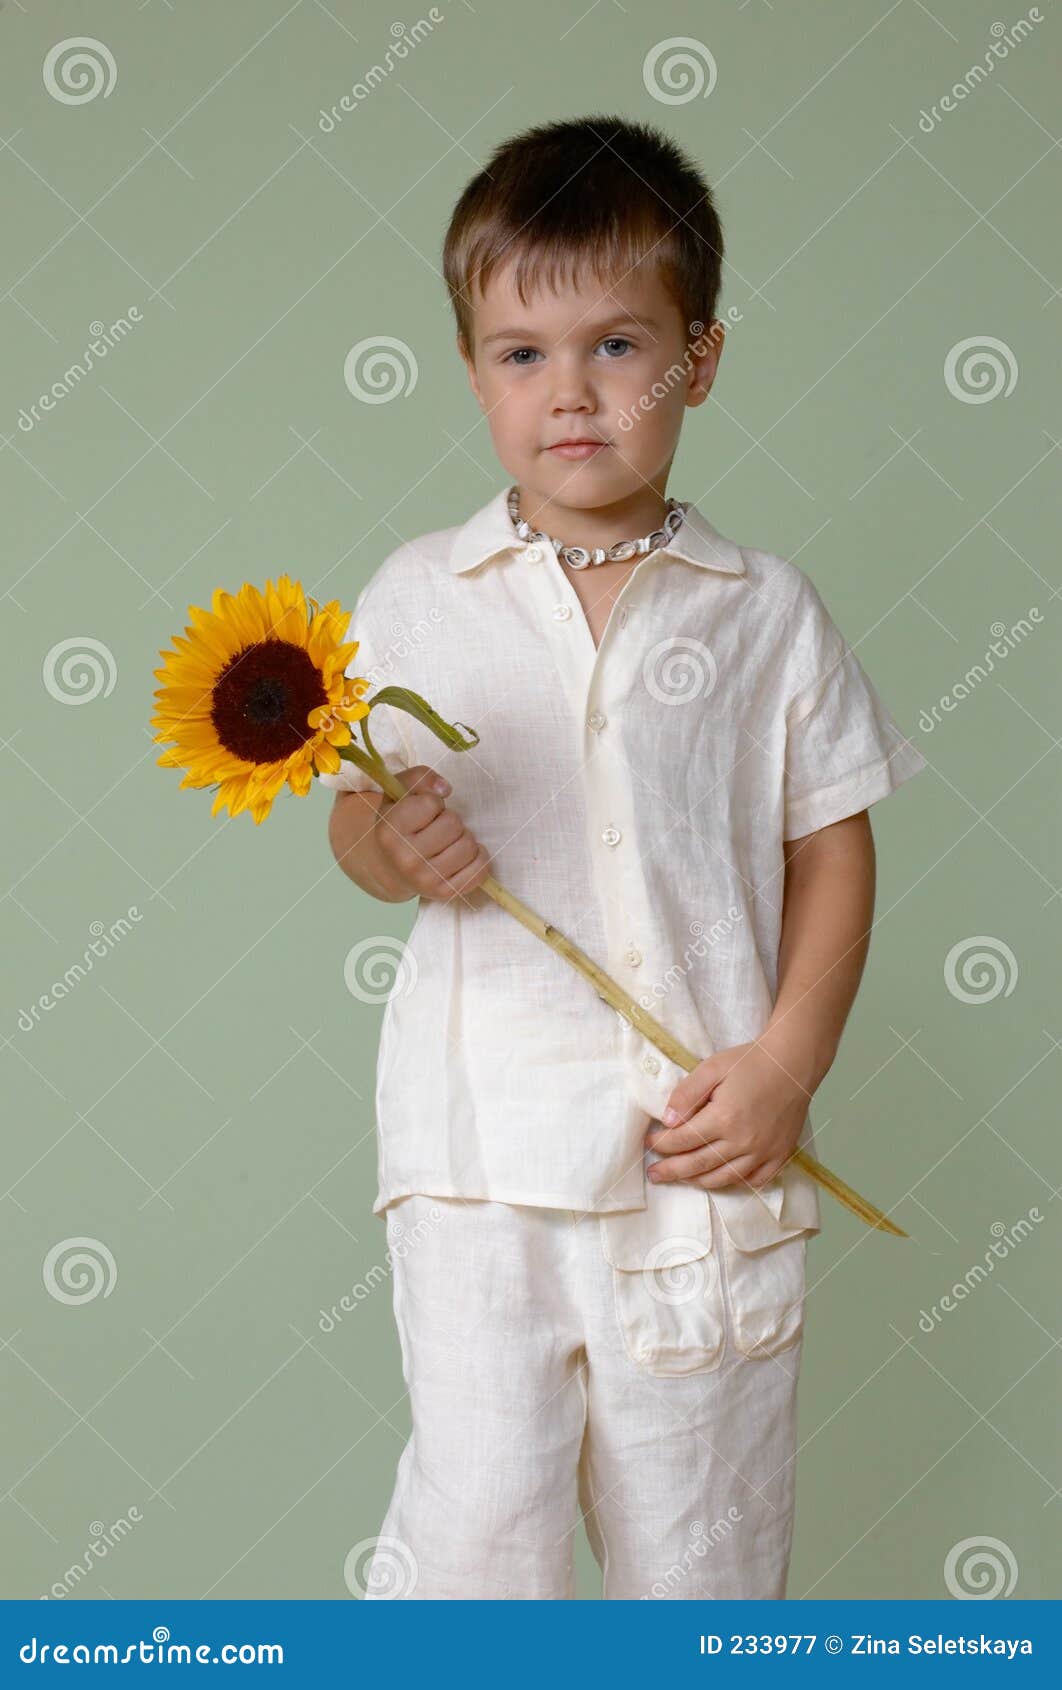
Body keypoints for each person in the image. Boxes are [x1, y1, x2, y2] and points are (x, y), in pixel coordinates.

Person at [320, 115, 927, 1601]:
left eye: (615, 346)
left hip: (696, 1164)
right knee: (475, 1545)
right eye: (520, 354)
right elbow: (354, 821)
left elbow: (832, 851)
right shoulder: (415, 595)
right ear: (471, 372)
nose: (568, 393)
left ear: (698, 361)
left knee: (704, 1561)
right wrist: (393, 843)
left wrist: (787, 1061)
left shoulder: (763, 611)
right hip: (476, 1161)